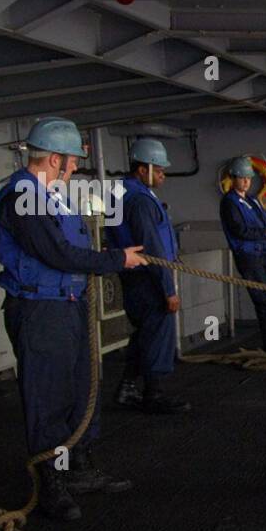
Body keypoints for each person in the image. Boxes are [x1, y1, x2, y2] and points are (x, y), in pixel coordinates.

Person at [0, 117, 147, 521]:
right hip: (41, 309)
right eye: (72, 161)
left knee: (81, 387)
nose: (76, 167)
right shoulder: (21, 197)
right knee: (49, 396)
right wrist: (117, 260)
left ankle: (79, 465)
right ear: (55, 159)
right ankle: (50, 484)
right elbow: (57, 254)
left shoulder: (51, 195)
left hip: (69, 304)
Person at [108, 138, 190, 415]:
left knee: (145, 333)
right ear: (143, 170)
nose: (164, 175)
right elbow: (151, 247)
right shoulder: (140, 200)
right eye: (160, 170)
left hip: (134, 276)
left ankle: (127, 387)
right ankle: (154, 394)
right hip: (149, 278)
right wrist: (169, 289)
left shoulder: (121, 193)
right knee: (157, 333)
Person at [219, 156, 266, 352]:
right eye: (242, 178)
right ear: (233, 178)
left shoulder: (254, 201)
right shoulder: (229, 203)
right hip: (249, 257)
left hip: (264, 255)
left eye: (248, 178)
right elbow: (240, 231)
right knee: (263, 300)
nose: (246, 181)